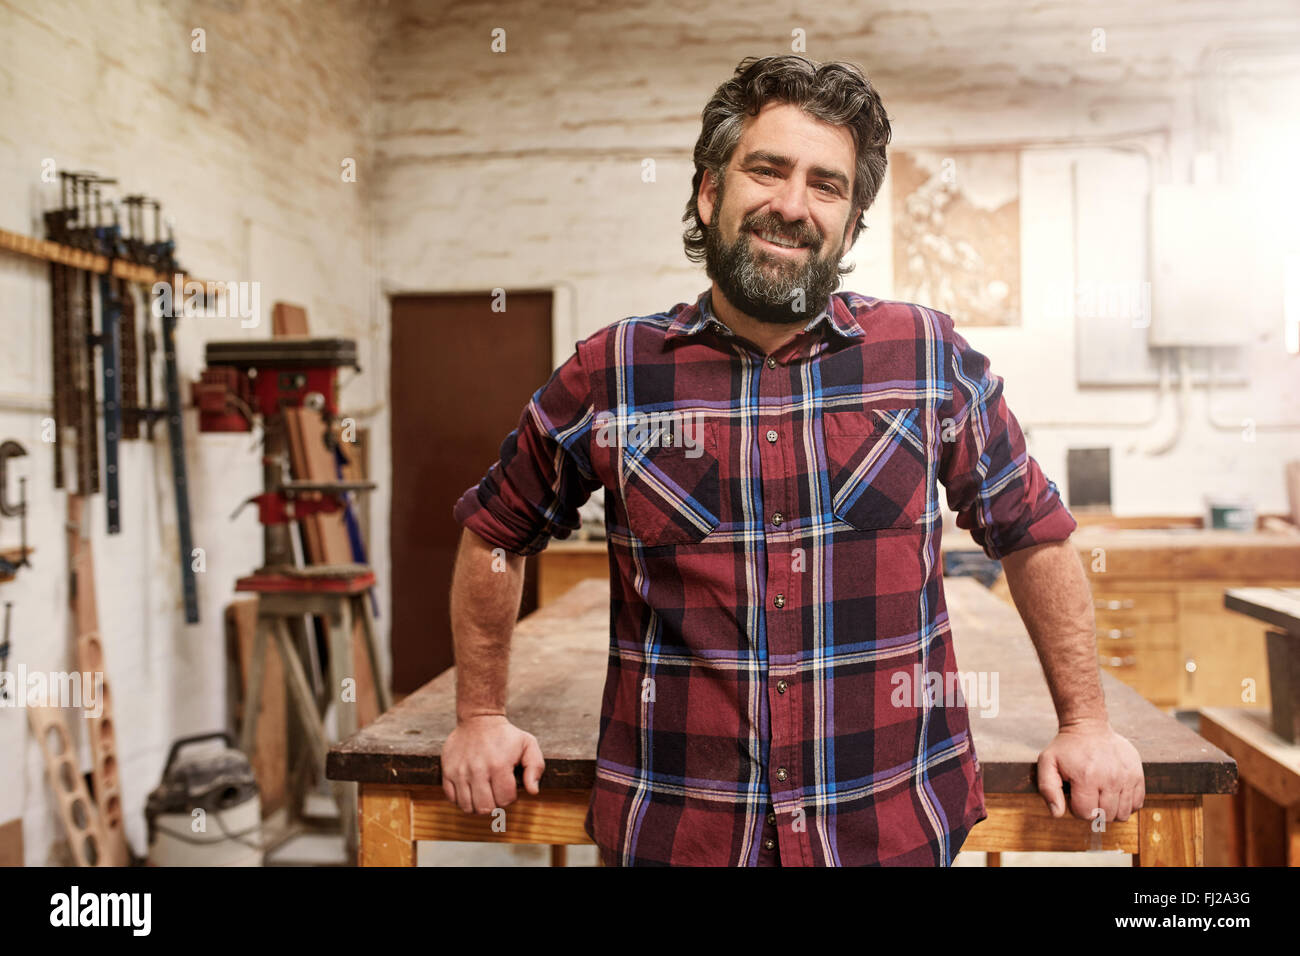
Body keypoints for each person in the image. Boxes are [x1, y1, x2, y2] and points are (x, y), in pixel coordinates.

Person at [443, 53, 1143, 866]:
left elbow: (1034, 531)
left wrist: (1086, 723)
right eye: (766, 171)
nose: (791, 205)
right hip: (682, 834)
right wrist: (482, 716)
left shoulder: (924, 357)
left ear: (850, 225)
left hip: (891, 829)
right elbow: (495, 530)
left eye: (826, 185)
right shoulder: (615, 372)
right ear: (710, 192)